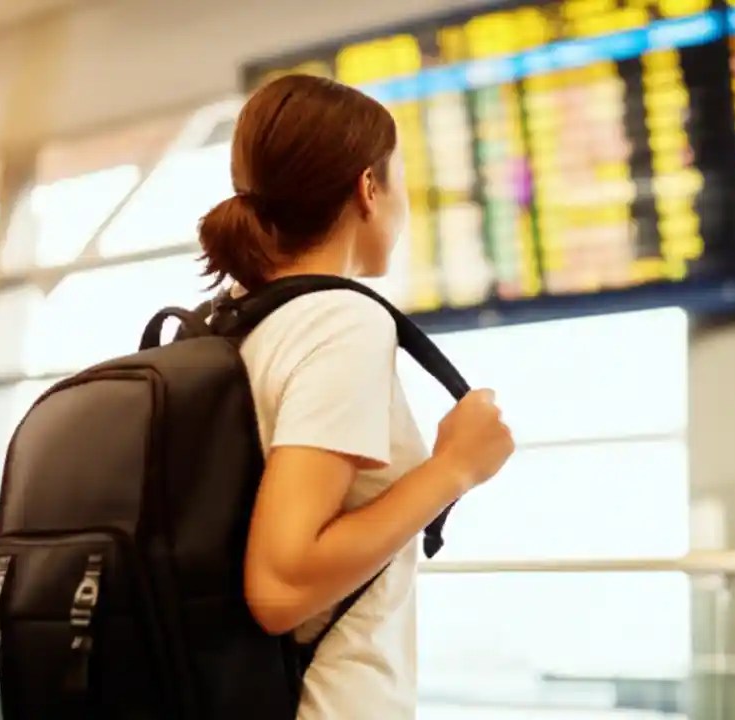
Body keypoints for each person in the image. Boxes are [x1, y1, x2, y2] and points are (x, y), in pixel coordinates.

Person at [196, 73, 516, 719]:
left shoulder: (226, 322)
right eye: (398, 180)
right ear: (368, 189)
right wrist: (454, 468)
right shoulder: (341, 321)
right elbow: (281, 582)